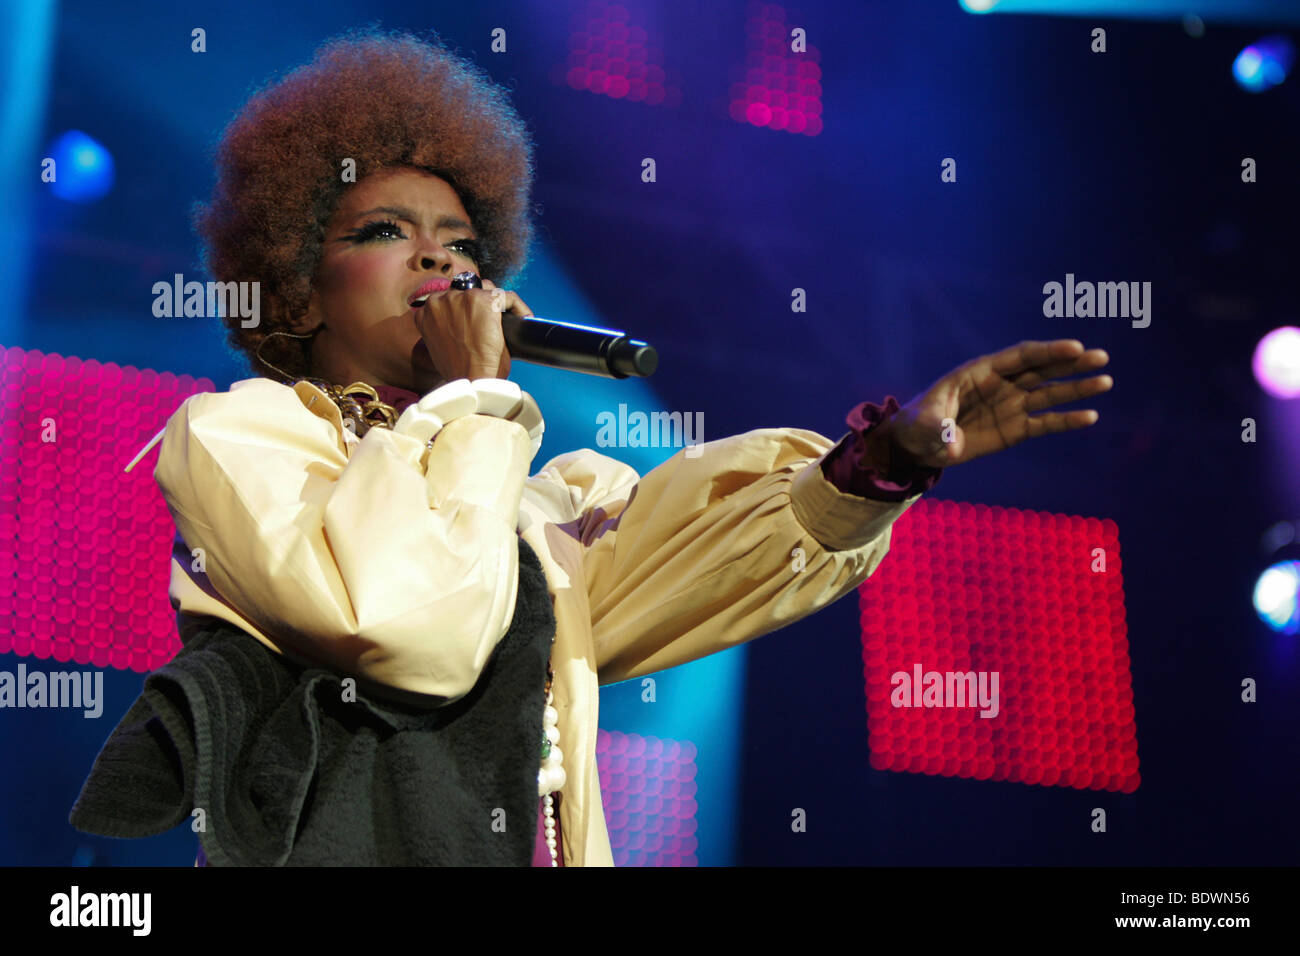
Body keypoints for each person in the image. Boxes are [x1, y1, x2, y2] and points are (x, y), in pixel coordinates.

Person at [69, 28, 1113, 867]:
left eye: (461, 240)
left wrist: (879, 463)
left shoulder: (524, 504)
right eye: (383, 231)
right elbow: (404, 630)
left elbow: (694, 564)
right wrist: (477, 395)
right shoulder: (246, 436)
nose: (439, 253)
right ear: (299, 281)